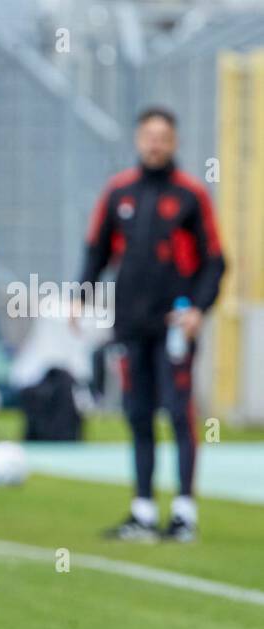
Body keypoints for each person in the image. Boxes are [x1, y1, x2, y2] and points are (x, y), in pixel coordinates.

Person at [77, 106, 225, 542]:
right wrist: (78, 297)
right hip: (130, 324)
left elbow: (215, 262)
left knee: (179, 412)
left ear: (174, 142)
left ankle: (183, 512)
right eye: (149, 136)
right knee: (137, 413)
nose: (155, 144)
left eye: (163, 136)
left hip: (174, 323)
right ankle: (142, 511)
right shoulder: (119, 192)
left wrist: (198, 308)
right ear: (139, 140)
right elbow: (96, 250)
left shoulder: (190, 195)